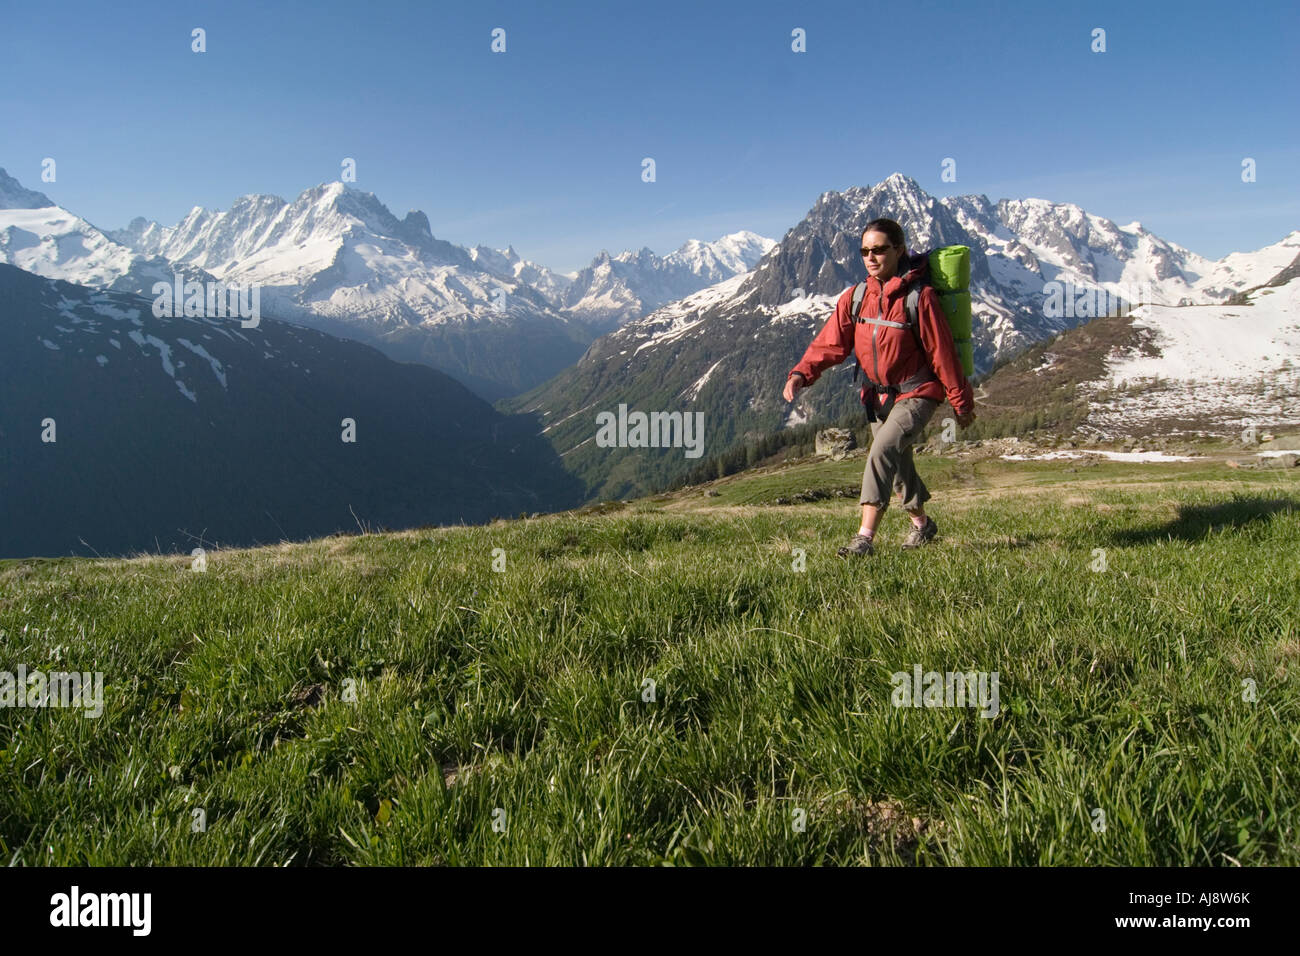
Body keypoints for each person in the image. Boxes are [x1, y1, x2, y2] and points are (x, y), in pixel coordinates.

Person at [782, 218, 975, 556]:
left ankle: (864, 539)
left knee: (881, 451)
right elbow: (830, 344)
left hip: (917, 393)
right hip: (877, 396)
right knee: (898, 465)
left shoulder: (920, 298)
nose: (871, 257)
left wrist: (961, 403)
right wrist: (801, 373)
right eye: (864, 251)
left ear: (899, 250)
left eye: (879, 249)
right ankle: (923, 526)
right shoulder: (856, 297)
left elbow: (942, 354)